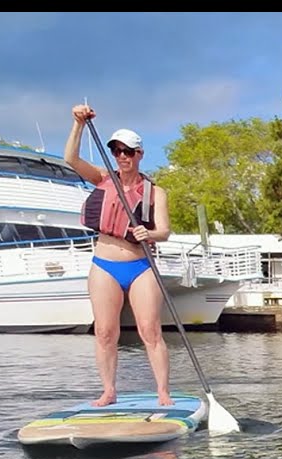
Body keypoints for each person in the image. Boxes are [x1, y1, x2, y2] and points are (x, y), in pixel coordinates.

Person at [65, 104, 173, 407]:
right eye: (117, 151)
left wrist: (149, 234)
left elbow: (164, 230)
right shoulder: (102, 178)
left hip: (140, 266)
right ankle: (109, 391)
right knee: (104, 331)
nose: (122, 156)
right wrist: (78, 124)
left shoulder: (156, 192)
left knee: (150, 331)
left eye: (128, 151)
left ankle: (163, 392)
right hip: (104, 265)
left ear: (139, 154)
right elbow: (70, 159)